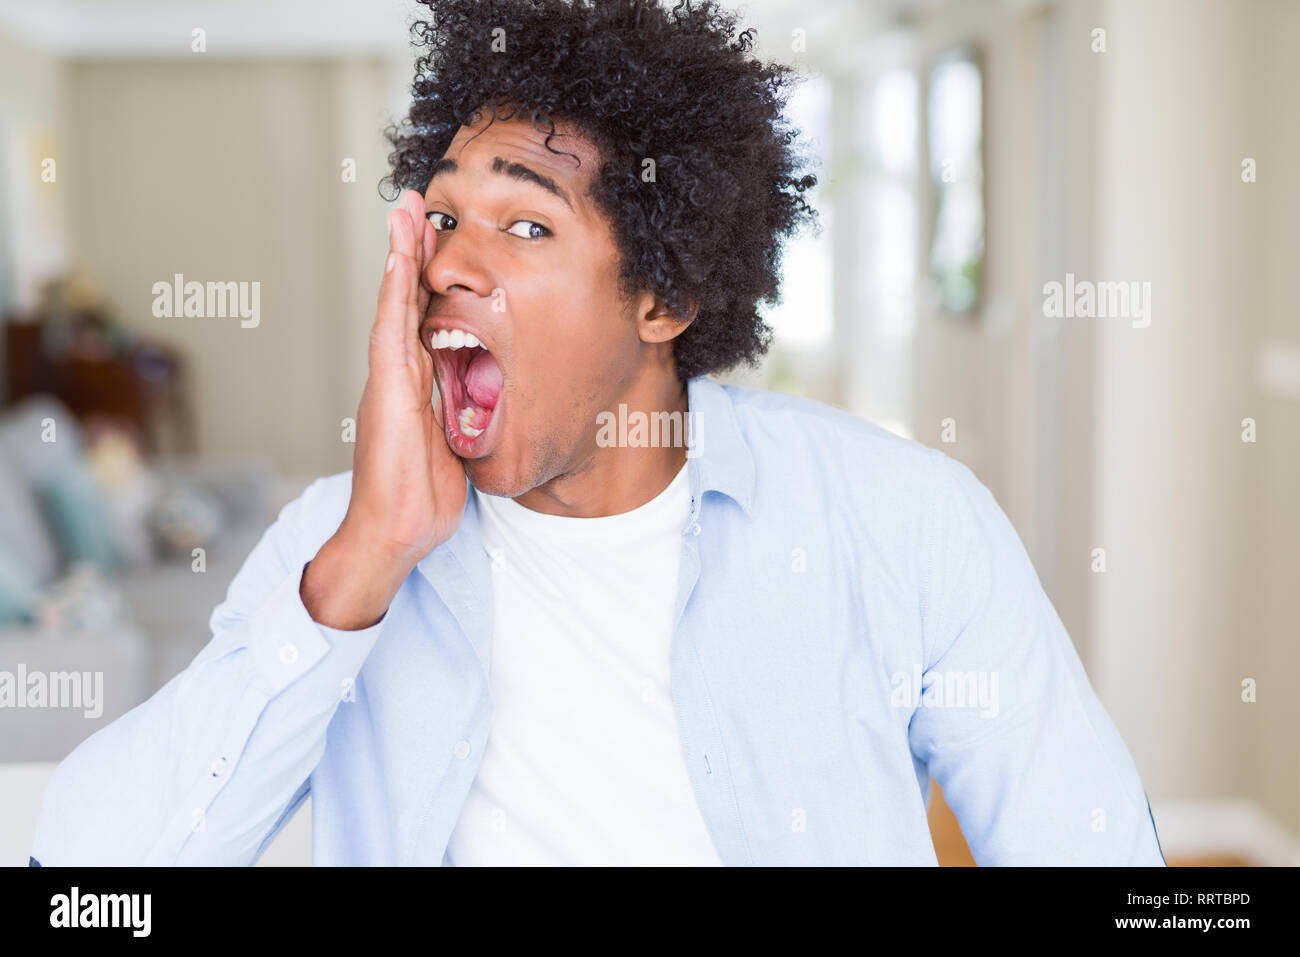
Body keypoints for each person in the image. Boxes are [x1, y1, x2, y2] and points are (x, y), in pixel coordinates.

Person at [31, 0, 1164, 866]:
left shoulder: (899, 521)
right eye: (441, 216)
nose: (450, 264)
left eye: (525, 222)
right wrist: (364, 564)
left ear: (662, 298)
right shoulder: (339, 546)